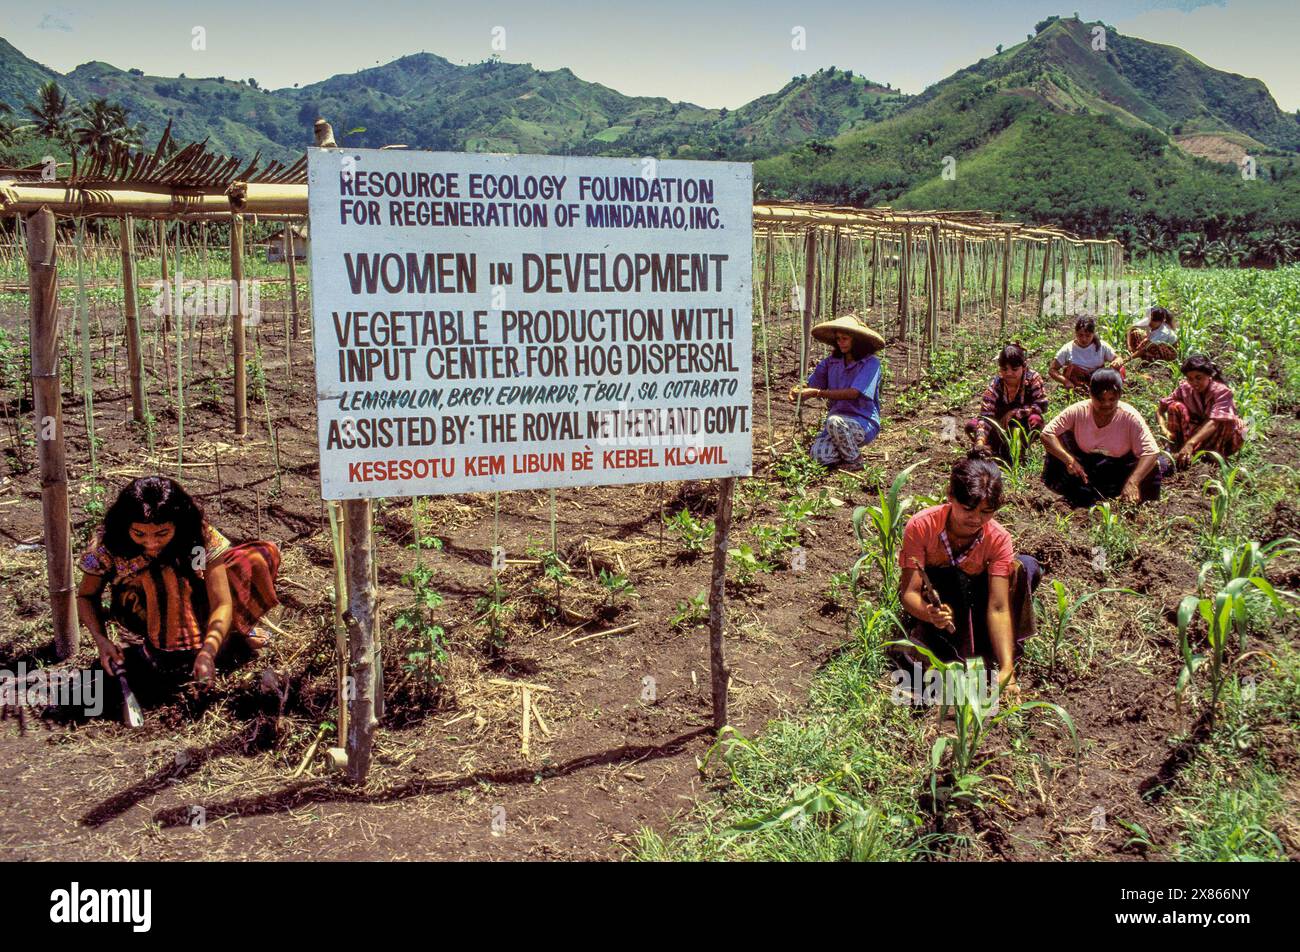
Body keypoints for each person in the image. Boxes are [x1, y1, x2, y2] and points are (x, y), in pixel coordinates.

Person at [76, 477, 281, 700]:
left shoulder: (198, 536)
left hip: (194, 600)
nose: (151, 543)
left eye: (162, 534)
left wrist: (208, 651)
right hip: (140, 606)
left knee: (257, 558)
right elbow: (87, 596)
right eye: (139, 534)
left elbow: (221, 601)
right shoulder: (110, 544)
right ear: (126, 527)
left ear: (178, 524)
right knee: (165, 577)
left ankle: (222, 637)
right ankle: (168, 655)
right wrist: (101, 639)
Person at [896, 455, 1041, 699]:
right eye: (968, 509)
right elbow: (908, 593)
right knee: (951, 580)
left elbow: (997, 606)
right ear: (950, 495)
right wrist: (928, 613)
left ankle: (992, 648)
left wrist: (1007, 667)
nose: (976, 519)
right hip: (943, 596)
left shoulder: (998, 538)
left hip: (977, 595)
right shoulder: (922, 526)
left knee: (1025, 568)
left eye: (986, 512)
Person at [1041, 368, 1168, 506]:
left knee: (1152, 466)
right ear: (1091, 394)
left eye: (1112, 399)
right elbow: (1047, 434)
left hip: (1118, 465)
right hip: (1087, 463)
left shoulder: (1130, 416)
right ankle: (1070, 494)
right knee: (1057, 449)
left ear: (1119, 396)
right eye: (1101, 399)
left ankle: (1133, 499)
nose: (1106, 405)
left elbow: (1151, 451)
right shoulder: (1079, 410)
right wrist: (1069, 460)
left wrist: (1133, 482)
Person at [789, 312, 885, 471]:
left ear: (857, 340)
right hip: (836, 424)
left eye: (845, 338)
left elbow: (854, 393)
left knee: (834, 422)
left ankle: (855, 460)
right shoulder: (830, 363)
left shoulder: (871, 363)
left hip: (862, 422)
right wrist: (798, 391)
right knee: (819, 455)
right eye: (838, 339)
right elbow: (810, 385)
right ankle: (844, 451)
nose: (840, 343)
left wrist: (817, 393)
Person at [1157, 354, 1247, 469]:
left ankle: (1212, 457)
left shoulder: (1221, 391)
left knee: (1227, 422)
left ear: (1209, 375)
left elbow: (1214, 422)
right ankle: (1176, 450)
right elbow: (1161, 409)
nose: (1194, 382)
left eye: (1198, 377)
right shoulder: (1185, 388)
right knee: (1174, 406)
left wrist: (1190, 443)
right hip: (1194, 430)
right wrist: (1163, 428)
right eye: (1190, 378)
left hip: (1212, 434)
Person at [966, 342, 1048, 461]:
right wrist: (980, 442)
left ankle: (1021, 449)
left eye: (1014, 369)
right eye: (1004, 369)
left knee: (1036, 421)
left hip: (1023, 422)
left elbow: (1042, 405)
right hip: (1000, 424)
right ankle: (991, 448)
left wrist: (1015, 412)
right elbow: (986, 416)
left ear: (1023, 367)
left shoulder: (1032, 379)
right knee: (972, 425)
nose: (1009, 373)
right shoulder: (996, 385)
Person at [1048, 315, 1123, 394]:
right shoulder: (1067, 349)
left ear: (1093, 334)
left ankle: (1107, 392)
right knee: (1073, 370)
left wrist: (1117, 361)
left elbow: (1118, 358)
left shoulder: (1102, 346)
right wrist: (1065, 381)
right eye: (1080, 335)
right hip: (1076, 385)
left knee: (1119, 370)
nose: (1084, 339)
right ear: (1075, 333)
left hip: (1098, 382)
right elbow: (1052, 370)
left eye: (1088, 336)